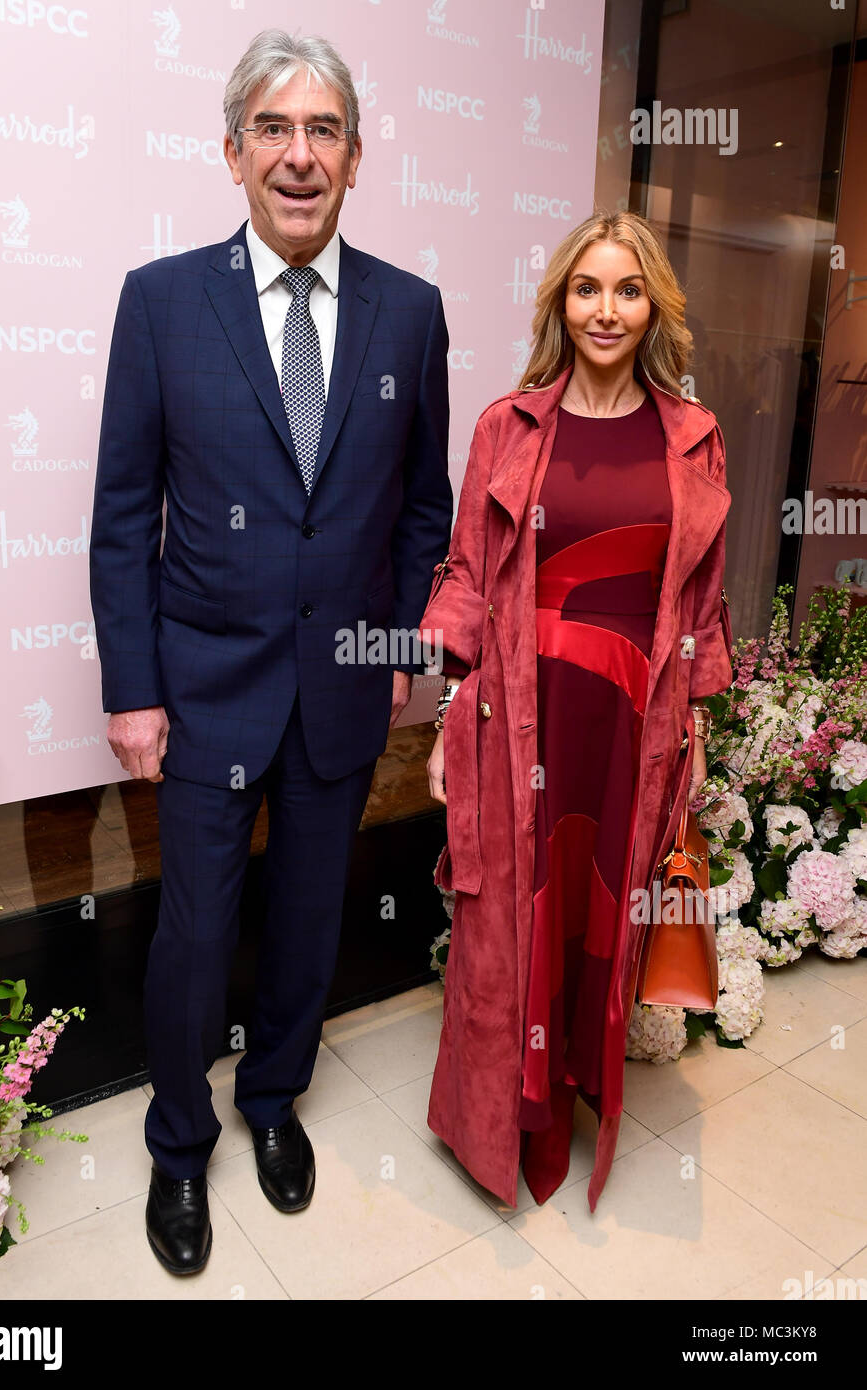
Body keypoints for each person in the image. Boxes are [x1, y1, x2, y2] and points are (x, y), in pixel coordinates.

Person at [89, 28, 451, 1275]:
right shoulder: (160, 300)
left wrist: (402, 640)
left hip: (343, 684)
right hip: (201, 692)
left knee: (307, 917)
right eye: (276, 131)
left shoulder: (411, 311)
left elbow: (421, 504)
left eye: (325, 132)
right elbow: (122, 513)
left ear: (356, 156)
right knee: (193, 933)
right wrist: (132, 689)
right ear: (233, 150)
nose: (300, 157)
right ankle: (180, 1145)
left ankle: (273, 1100)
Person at [419, 210, 734, 1212]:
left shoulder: (693, 436)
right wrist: (446, 716)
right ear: (562, 300)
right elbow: (468, 571)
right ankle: (497, 1116)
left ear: (653, 308)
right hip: (520, 709)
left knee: (598, 907)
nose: (605, 309)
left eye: (627, 289)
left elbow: (701, 596)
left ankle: (569, 1081)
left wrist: (694, 714)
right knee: (504, 918)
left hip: (627, 723)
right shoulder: (505, 426)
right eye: (586, 288)